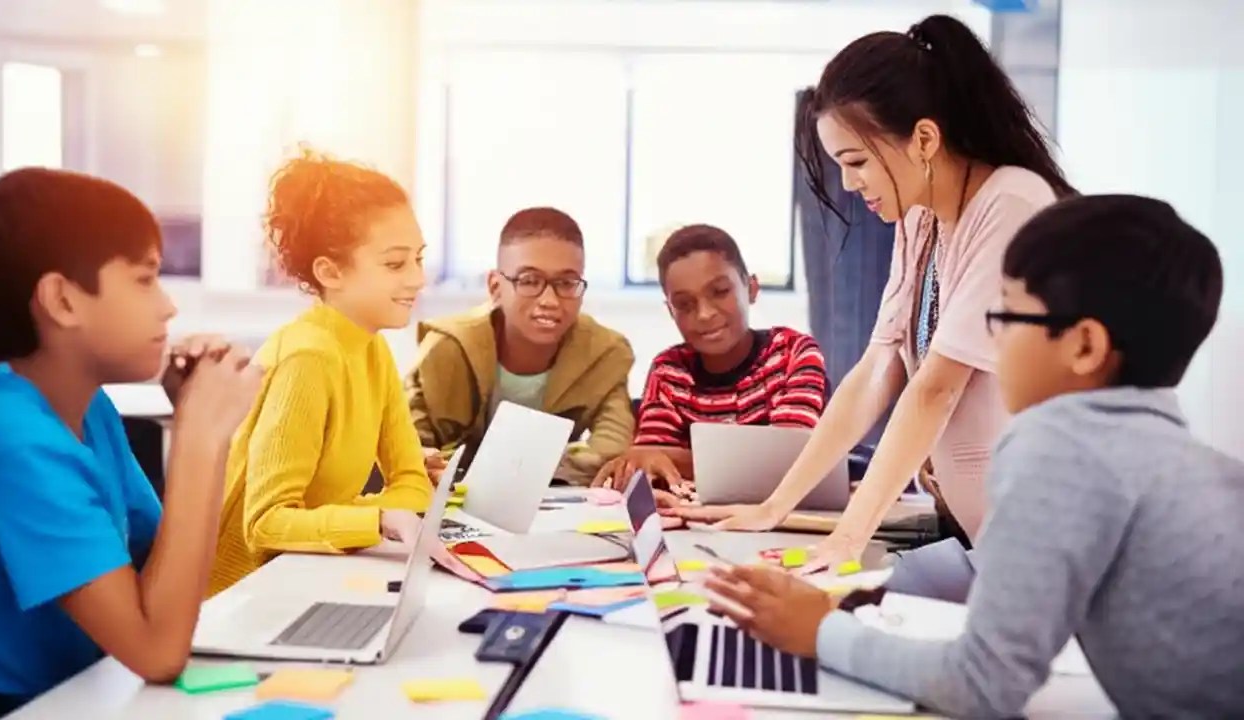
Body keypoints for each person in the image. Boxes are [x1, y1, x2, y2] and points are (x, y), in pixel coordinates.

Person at [705, 194, 1244, 718]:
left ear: (1084, 347)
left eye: (1006, 315)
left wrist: (819, 632)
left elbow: (983, 684)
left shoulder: (1059, 444)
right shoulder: (1182, 461)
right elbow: (993, 573)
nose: (993, 338)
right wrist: (844, 603)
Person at [679, 15, 1074, 566]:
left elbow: (937, 388)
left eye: (857, 162)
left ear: (925, 140)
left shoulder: (1011, 202)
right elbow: (877, 369)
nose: (848, 183)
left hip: (1038, 524)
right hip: (978, 525)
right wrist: (774, 506)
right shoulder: (921, 218)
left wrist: (849, 537)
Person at [0, 168, 261, 718]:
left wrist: (201, 424)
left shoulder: (89, 409)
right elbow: (156, 651)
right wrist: (199, 437)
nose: (168, 306)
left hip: (83, 696)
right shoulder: (5, 433)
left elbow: (163, 580)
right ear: (63, 300)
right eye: (145, 279)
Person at [209, 151, 470, 596]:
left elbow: (413, 485)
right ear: (330, 272)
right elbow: (265, 524)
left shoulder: (372, 349)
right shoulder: (307, 359)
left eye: (419, 260)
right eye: (395, 264)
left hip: (310, 576)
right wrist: (377, 518)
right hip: (243, 597)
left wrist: (367, 517)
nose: (417, 279)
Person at [404, 207, 634, 486]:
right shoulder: (448, 347)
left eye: (566, 283)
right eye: (529, 280)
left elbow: (611, 454)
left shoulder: (606, 354)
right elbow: (408, 451)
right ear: (495, 287)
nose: (550, 300)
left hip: (551, 508)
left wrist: (514, 470)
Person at [592, 224, 828, 490]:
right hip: (703, 521)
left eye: (719, 292)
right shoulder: (669, 371)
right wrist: (653, 459)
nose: (704, 314)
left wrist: (670, 459)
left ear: (751, 288)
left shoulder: (792, 353)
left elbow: (785, 460)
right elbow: (653, 464)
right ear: (671, 311)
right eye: (684, 304)